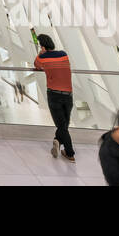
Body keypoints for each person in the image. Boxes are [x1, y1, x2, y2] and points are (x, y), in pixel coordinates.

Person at [34, 34, 75, 163]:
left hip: (54, 95)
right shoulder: (64, 54)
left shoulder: (42, 57)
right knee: (64, 125)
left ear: (43, 46)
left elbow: (36, 65)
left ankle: (70, 153)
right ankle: (57, 140)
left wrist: (41, 53)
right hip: (68, 95)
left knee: (62, 126)